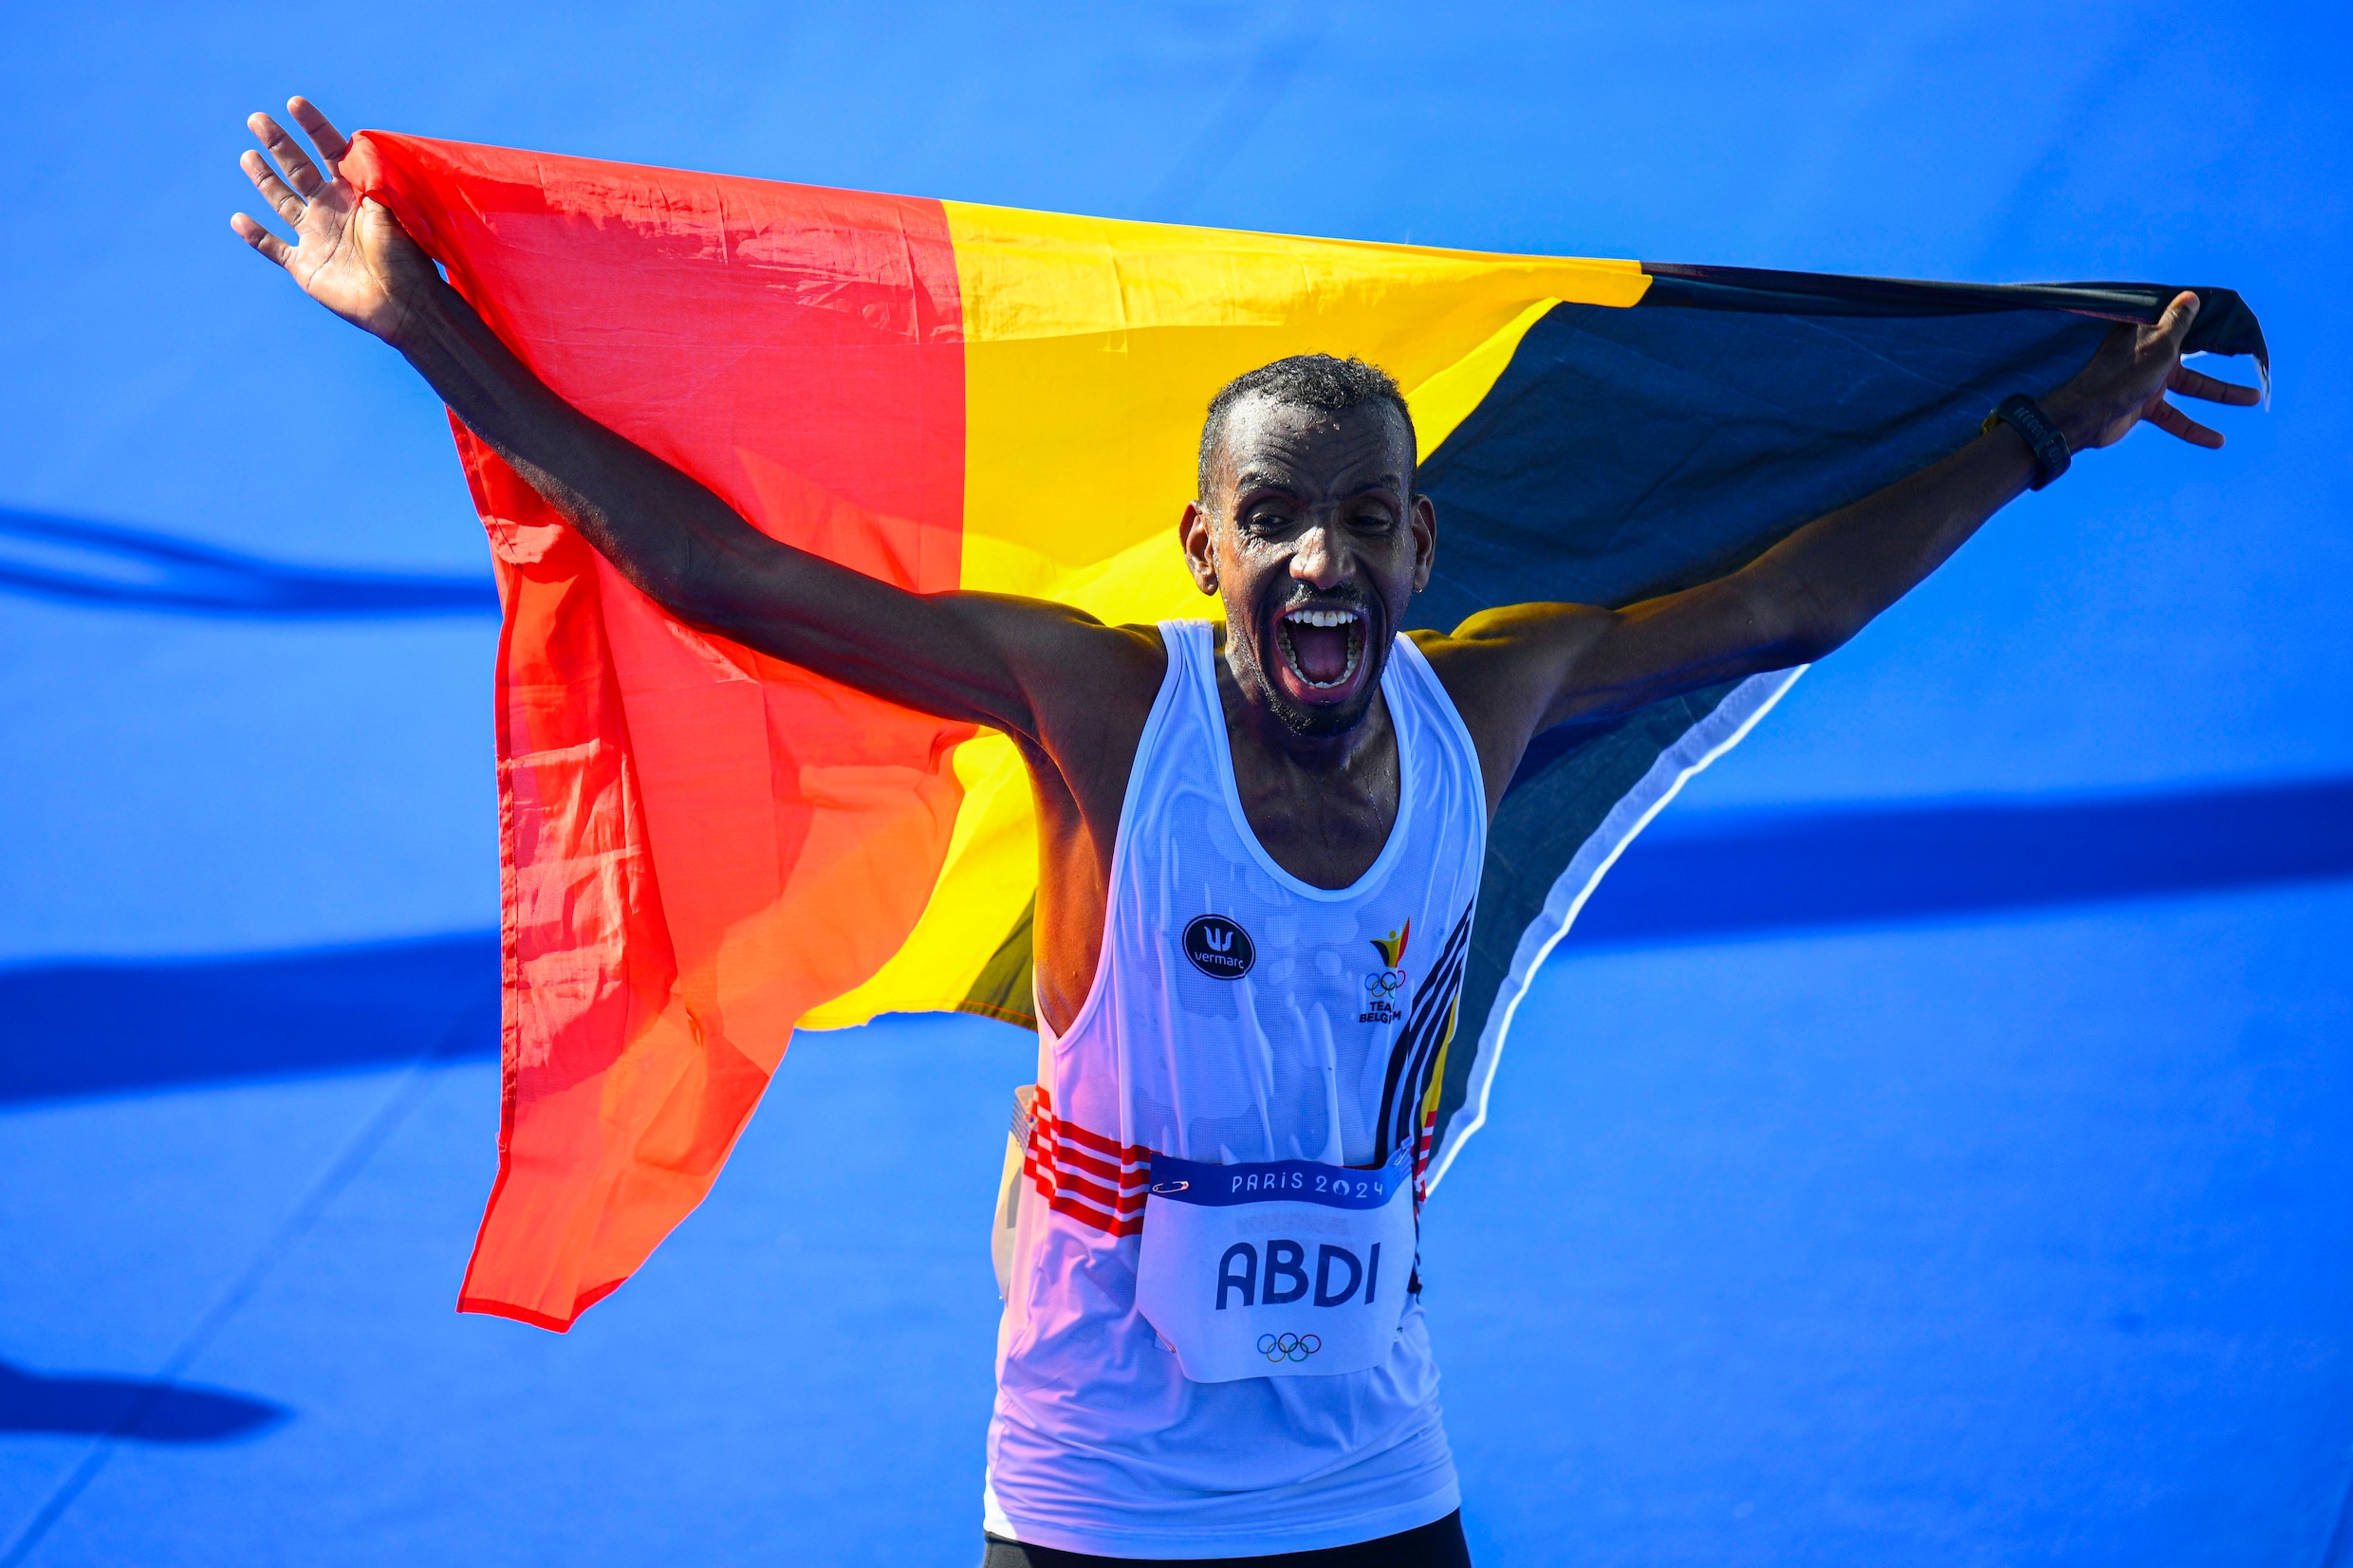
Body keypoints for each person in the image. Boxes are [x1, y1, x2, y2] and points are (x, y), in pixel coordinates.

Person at [232, 97, 2256, 1567]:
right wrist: (428, 326)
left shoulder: (1494, 692)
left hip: (1373, 1449)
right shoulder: (1101, 707)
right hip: (1102, 1474)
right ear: (1202, 547)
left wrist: (2033, 431)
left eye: (1363, 519)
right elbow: (715, 571)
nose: (1319, 557)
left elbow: (1784, 602)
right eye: (1273, 518)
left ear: (1419, 545)